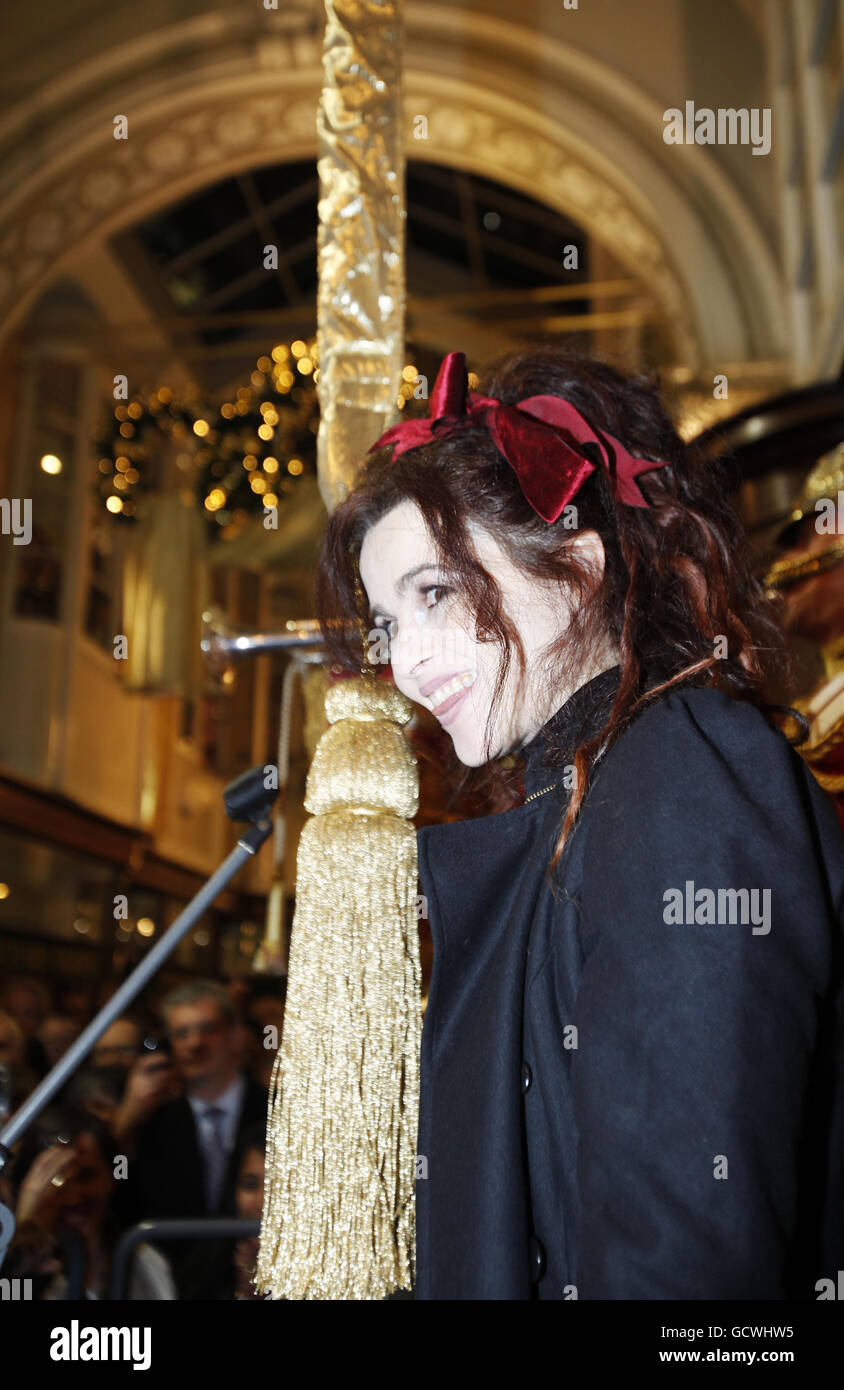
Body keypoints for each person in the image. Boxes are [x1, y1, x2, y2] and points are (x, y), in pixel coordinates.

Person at [315, 346, 844, 1300]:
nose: (404, 664)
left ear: (577, 565)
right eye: (387, 624)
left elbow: (685, 1266)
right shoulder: (580, 792)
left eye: (435, 592)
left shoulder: (679, 774)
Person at [120, 980, 267, 1299]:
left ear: (236, 1036)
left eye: (207, 1029)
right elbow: (121, 1196)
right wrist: (124, 1123)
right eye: (181, 1033)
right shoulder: (151, 1121)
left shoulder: (277, 1111)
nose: (195, 1043)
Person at [4, 1105, 176, 1299]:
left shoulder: (143, 1261)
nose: (73, 1195)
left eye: (86, 1176)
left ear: (110, 1179)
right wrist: (26, 1234)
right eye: (57, 1180)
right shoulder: (23, 1268)